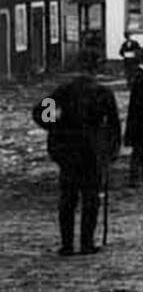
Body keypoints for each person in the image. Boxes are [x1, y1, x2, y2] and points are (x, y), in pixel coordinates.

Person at [31, 73, 121, 256]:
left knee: (68, 199)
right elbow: (113, 125)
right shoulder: (102, 93)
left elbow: (40, 113)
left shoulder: (63, 92)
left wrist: (56, 129)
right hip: (91, 152)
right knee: (91, 199)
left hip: (67, 152)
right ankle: (86, 243)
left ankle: (67, 245)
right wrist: (110, 151)